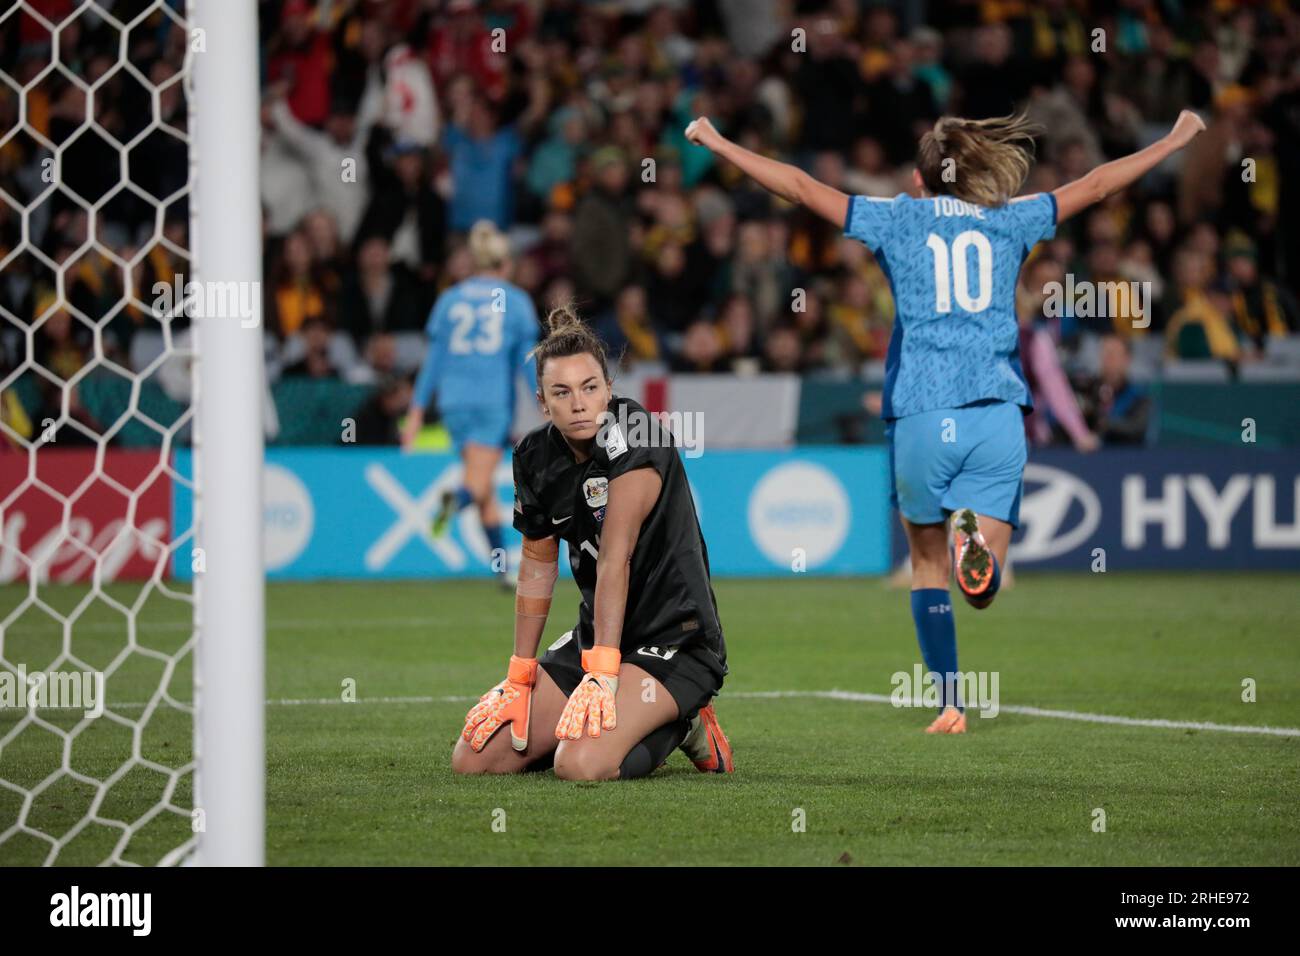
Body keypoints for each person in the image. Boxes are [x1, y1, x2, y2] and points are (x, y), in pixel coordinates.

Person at [686, 107, 1206, 732]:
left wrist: (718, 141)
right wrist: (1173, 140)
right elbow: (1096, 185)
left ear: (918, 179)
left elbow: (798, 186)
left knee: (927, 567)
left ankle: (951, 703)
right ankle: (972, 536)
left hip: (922, 418)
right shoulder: (1010, 219)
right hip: (996, 415)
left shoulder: (896, 218)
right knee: (981, 591)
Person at [451, 309, 733, 780]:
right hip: (598, 636)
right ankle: (602, 720)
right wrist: (521, 671)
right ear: (543, 402)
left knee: (581, 764)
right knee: (476, 759)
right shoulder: (533, 456)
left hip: (677, 640)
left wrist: (603, 669)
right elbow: (538, 568)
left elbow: (615, 557)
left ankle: (683, 721)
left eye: (590, 388)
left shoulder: (636, 434)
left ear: (609, 388)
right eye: (562, 392)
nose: (579, 403)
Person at [403, 221, 539, 582]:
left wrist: (416, 411)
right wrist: (545, 399)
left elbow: (433, 362)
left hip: (453, 403)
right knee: (477, 485)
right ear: (504, 264)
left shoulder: (450, 299)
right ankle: (451, 503)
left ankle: (501, 570)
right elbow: (526, 362)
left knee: (481, 488)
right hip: (491, 401)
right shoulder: (516, 301)